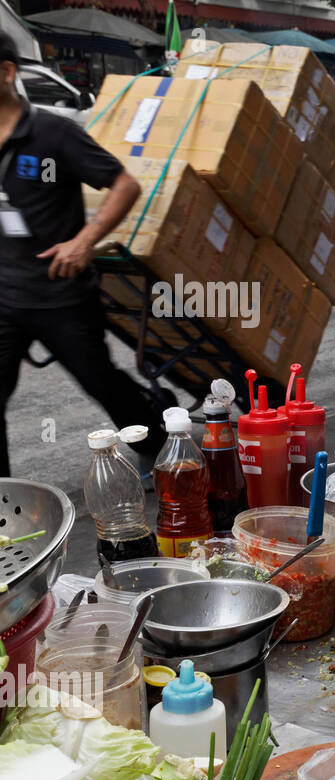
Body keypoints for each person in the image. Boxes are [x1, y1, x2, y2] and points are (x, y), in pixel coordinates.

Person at [0, 31, 166, 477]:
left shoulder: (54, 133)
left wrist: (84, 240)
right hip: (5, 298)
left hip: (63, 297)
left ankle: (158, 443)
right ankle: (2, 499)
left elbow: (125, 184)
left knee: (102, 383)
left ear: (7, 72)